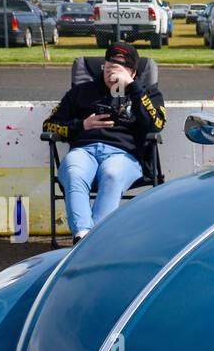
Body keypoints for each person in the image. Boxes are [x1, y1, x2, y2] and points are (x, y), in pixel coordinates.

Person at [42, 42, 167, 240]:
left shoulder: (146, 94)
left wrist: (133, 88)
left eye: (119, 69)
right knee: (74, 173)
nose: (111, 74)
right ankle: (83, 236)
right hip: (84, 151)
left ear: (133, 73)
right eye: (108, 67)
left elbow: (156, 125)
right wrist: (81, 125)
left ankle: (95, 240)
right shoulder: (81, 92)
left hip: (123, 154)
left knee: (112, 173)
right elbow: (49, 126)